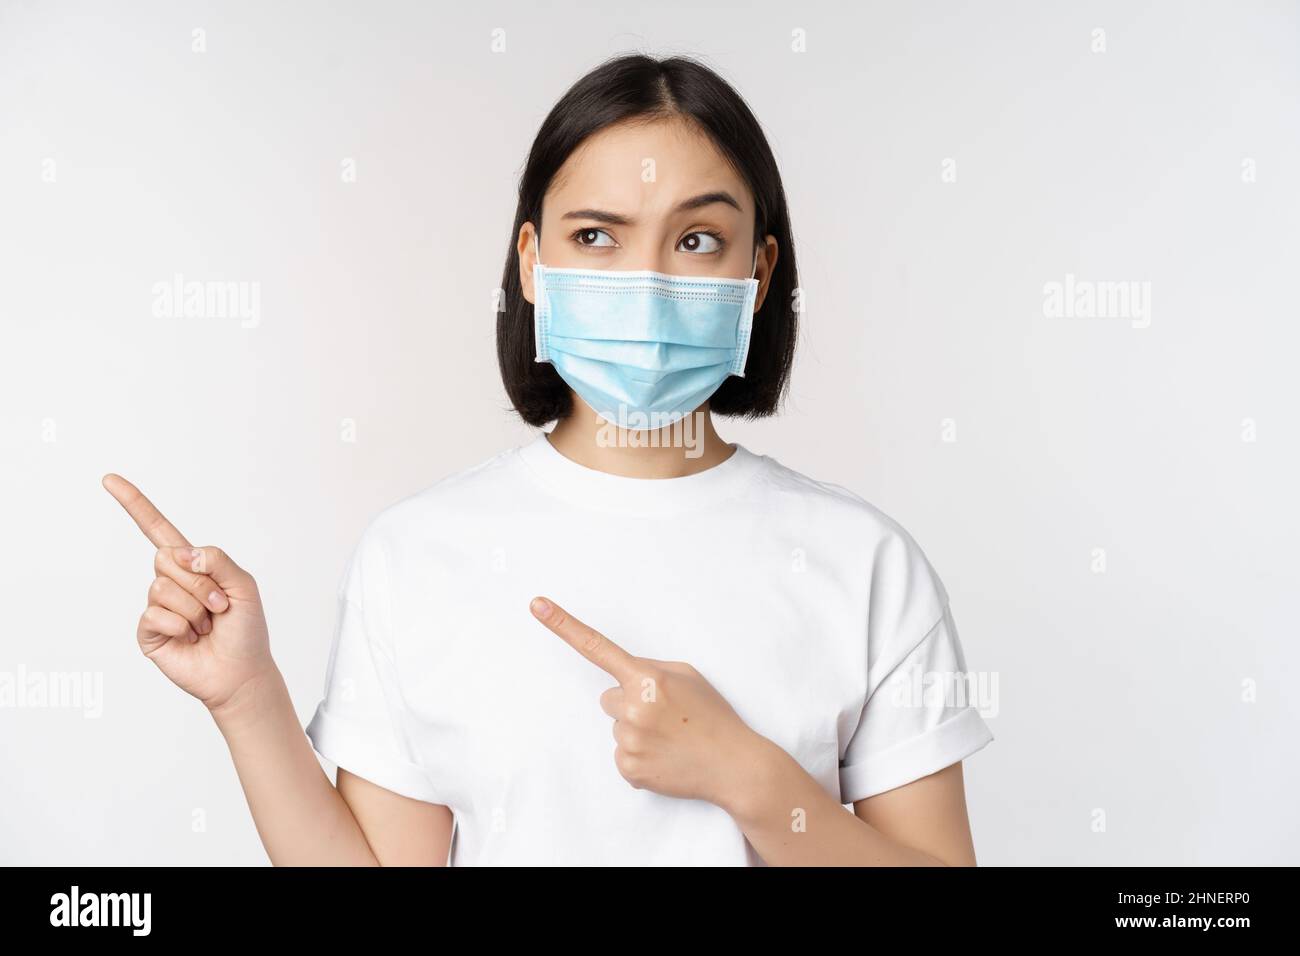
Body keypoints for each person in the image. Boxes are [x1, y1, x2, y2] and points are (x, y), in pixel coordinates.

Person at [103, 53, 993, 866]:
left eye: (695, 240)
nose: (647, 281)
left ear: (758, 277)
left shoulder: (863, 563)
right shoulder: (417, 554)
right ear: (532, 263)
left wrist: (748, 777)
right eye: (598, 236)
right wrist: (247, 699)